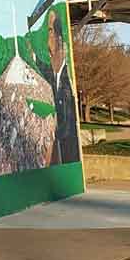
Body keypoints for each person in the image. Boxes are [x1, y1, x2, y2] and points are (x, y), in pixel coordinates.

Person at [32, 9, 80, 164]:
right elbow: (45, 68)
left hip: (68, 159)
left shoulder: (69, 81)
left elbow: (66, 128)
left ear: (60, 39)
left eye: (50, 31)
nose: (46, 40)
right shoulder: (54, 74)